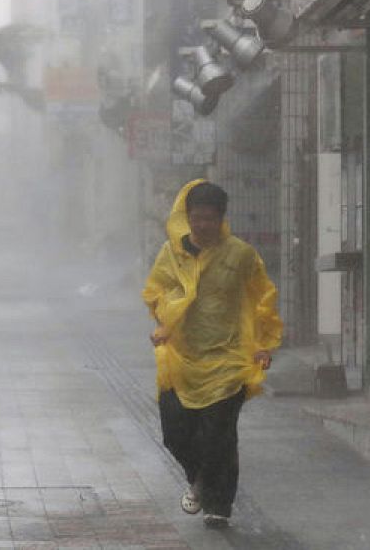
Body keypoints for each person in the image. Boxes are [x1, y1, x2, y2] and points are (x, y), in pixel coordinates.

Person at [141, 180, 283, 529]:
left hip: (229, 358)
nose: (202, 224)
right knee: (175, 431)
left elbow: (263, 299)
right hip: (182, 359)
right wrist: (167, 312)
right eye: (196, 217)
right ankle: (200, 480)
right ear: (186, 217)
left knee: (220, 434)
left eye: (209, 218)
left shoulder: (241, 255)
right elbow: (155, 291)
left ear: (221, 219)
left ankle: (219, 504)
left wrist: (264, 343)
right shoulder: (171, 253)